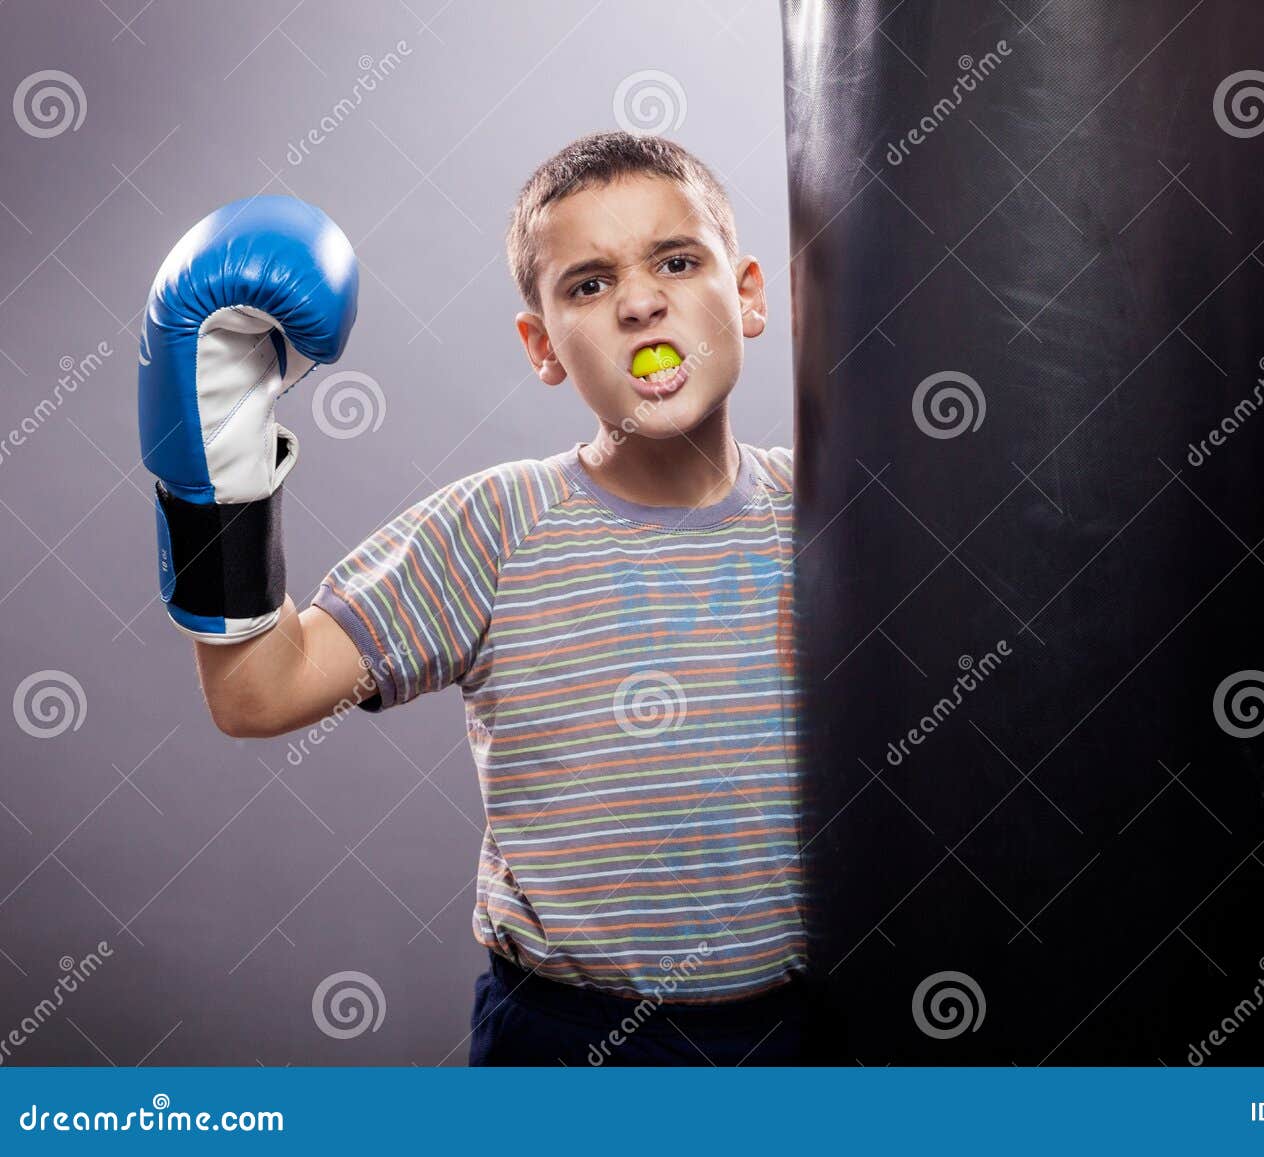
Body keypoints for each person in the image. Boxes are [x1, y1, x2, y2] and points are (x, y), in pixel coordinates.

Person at [137, 131, 822, 1065]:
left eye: (676, 259)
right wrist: (215, 451)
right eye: (588, 283)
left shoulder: (832, 515)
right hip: (568, 1040)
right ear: (542, 344)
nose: (641, 301)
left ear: (745, 294)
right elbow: (259, 690)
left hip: (804, 1029)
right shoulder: (497, 524)